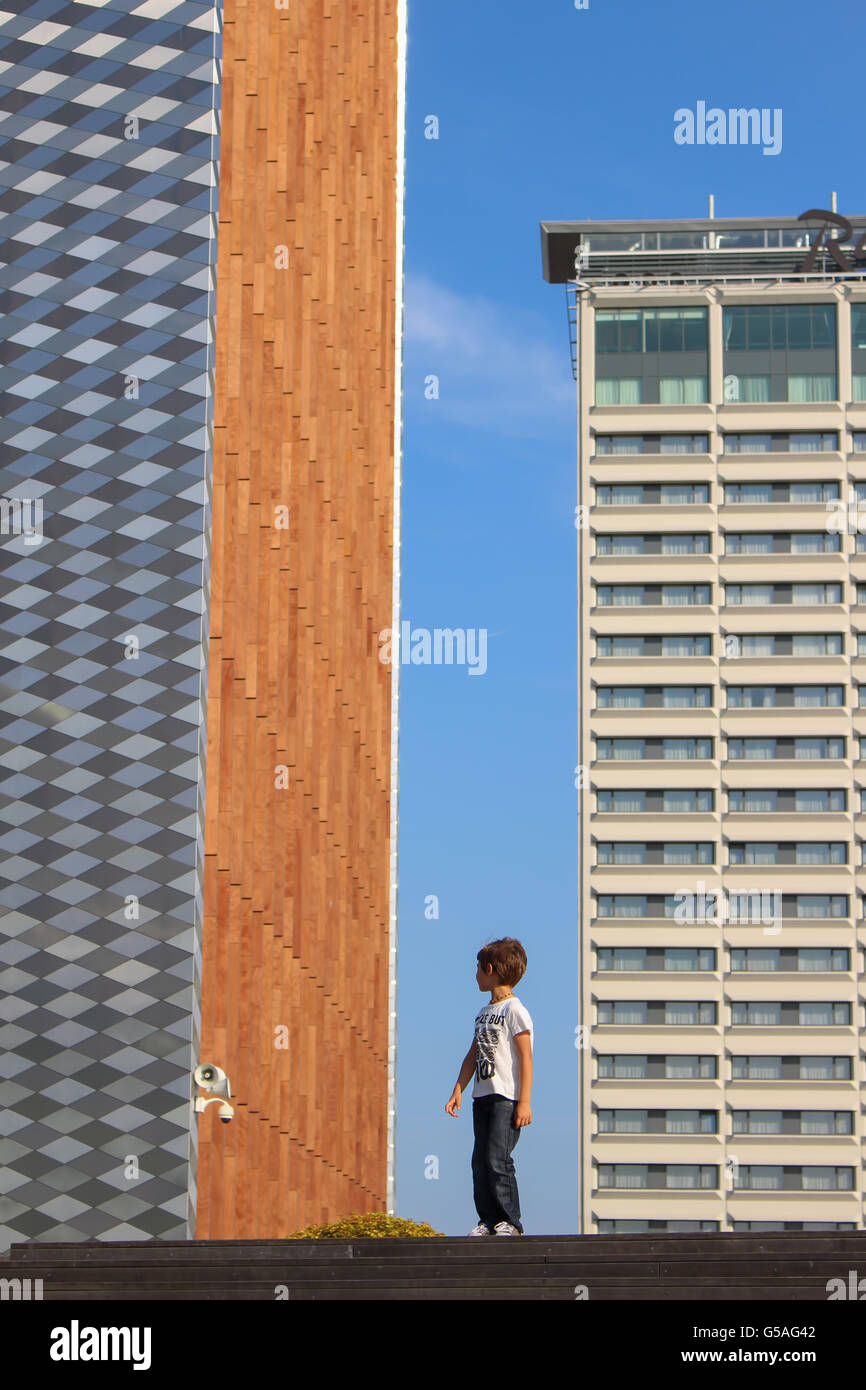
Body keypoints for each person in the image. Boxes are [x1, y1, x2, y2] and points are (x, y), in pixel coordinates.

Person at [445, 937, 533, 1236]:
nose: (476, 975)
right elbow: (473, 1054)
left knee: (499, 1160)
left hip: (505, 1098)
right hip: (481, 1097)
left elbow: (526, 1058)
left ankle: (510, 1220)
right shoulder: (484, 1013)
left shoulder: (515, 1011)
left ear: (490, 969)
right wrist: (458, 1087)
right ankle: (488, 1220)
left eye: (478, 969)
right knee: (480, 1162)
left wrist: (525, 1101)